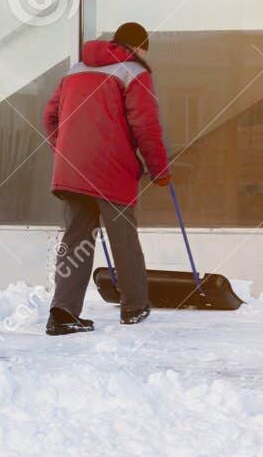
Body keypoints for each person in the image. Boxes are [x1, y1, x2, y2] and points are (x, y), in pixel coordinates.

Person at [41, 21, 170, 334]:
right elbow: (145, 127)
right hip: (112, 171)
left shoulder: (75, 70)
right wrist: (159, 170)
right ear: (138, 46)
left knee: (75, 240)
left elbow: (50, 116)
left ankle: (63, 313)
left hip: (72, 169)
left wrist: (67, 151)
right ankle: (134, 308)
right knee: (123, 239)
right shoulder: (134, 72)